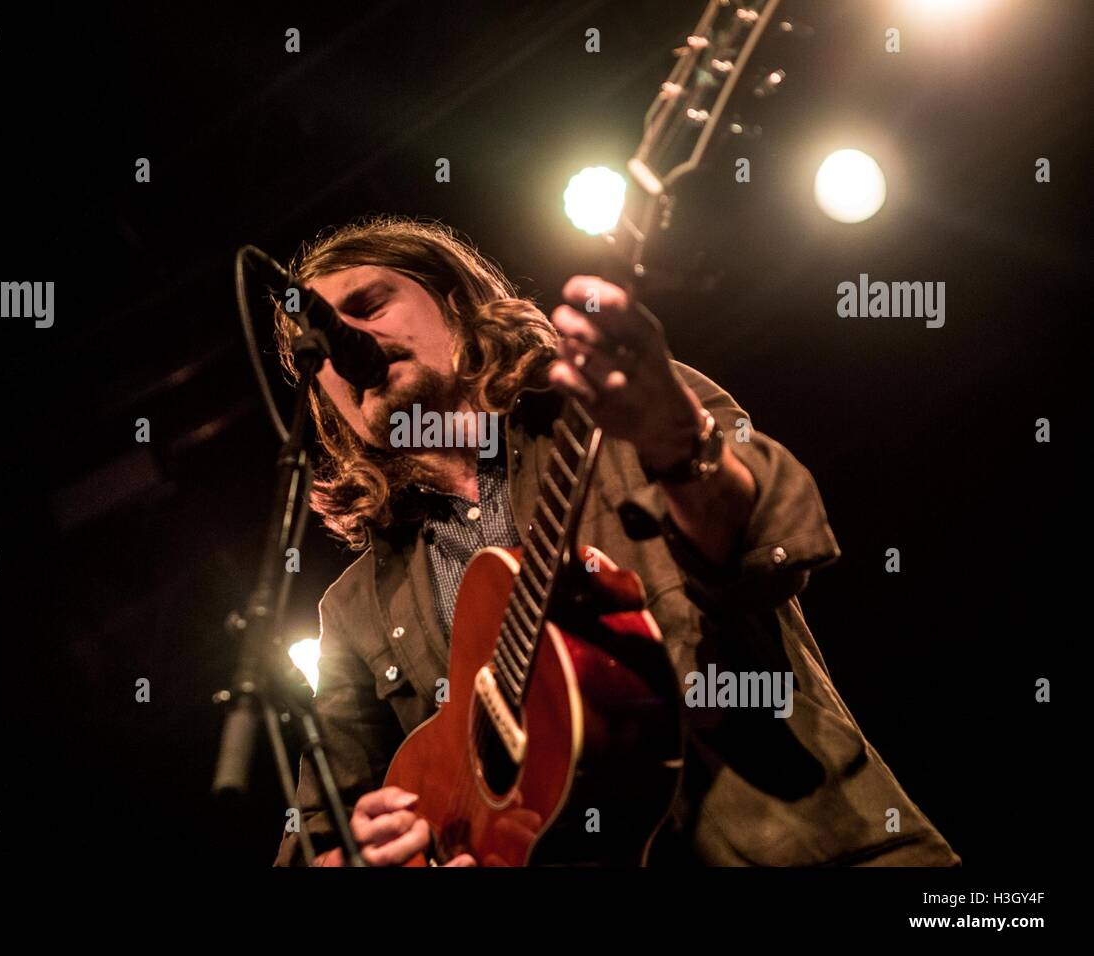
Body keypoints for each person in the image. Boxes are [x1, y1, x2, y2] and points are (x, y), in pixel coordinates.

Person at [270, 215, 958, 867]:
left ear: (454, 303)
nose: (346, 341)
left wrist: (676, 442)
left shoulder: (615, 410)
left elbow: (774, 545)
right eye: (322, 343)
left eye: (368, 304)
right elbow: (316, 829)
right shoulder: (355, 609)